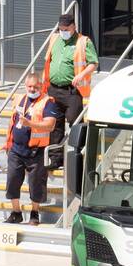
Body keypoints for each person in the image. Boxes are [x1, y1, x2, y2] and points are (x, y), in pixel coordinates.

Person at [3, 71, 60, 226]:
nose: (32, 89)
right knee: (12, 181)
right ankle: (16, 213)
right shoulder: (19, 99)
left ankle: (34, 213)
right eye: (29, 86)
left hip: (37, 150)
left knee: (36, 184)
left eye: (35, 86)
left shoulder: (48, 102)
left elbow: (50, 125)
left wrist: (31, 124)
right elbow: (13, 122)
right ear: (25, 86)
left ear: (41, 86)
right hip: (16, 149)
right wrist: (7, 141)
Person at [42, 12, 97, 170]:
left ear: (73, 27)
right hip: (53, 88)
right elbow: (48, 61)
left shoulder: (83, 41)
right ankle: (55, 158)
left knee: (75, 121)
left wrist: (81, 74)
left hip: (72, 90)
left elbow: (93, 63)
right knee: (55, 124)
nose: (63, 32)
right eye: (60, 29)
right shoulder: (54, 39)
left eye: (66, 28)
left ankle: (80, 156)